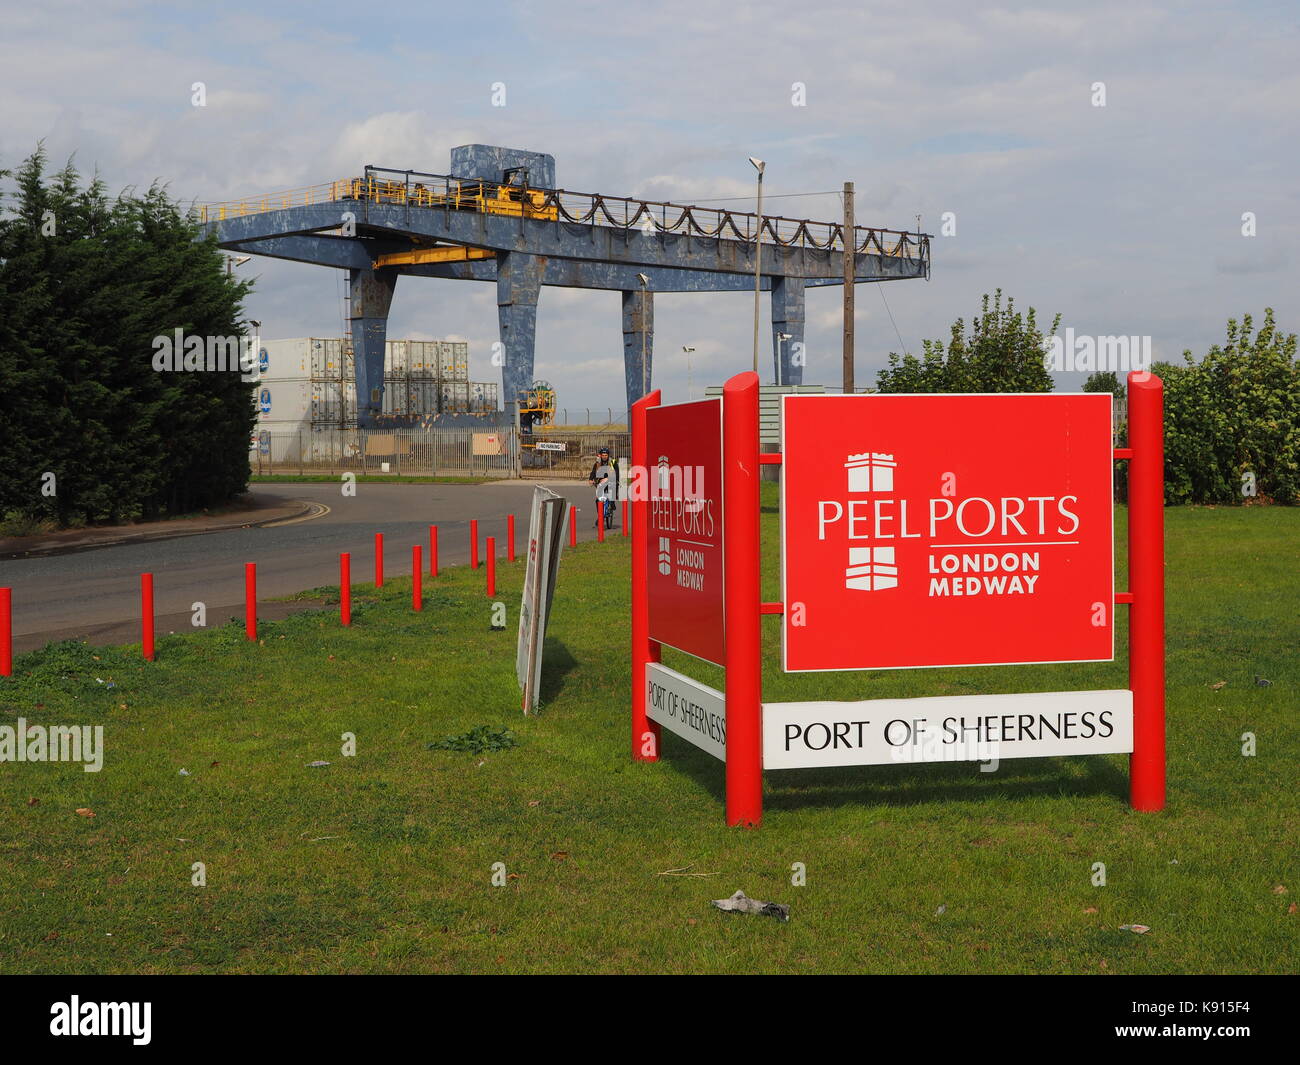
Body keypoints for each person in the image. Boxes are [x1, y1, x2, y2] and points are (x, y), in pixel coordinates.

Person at [588, 446, 619, 529]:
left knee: (612, 490)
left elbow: (616, 473)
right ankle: (600, 516)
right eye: (603, 455)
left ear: (608, 455)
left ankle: (612, 503)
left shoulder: (613, 462)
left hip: (611, 480)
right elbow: (593, 472)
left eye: (606, 455)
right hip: (601, 481)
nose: (604, 456)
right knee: (598, 500)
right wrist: (591, 479)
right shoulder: (598, 463)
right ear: (600, 455)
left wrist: (608, 479)